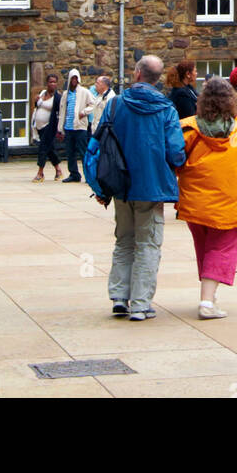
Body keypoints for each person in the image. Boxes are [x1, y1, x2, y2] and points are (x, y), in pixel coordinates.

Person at [85, 54, 184, 321]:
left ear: (138, 74)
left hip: (120, 184)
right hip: (152, 186)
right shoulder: (167, 110)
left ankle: (119, 297)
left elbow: (98, 144)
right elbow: (176, 153)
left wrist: (99, 185)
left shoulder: (115, 104)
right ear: (157, 78)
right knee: (148, 244)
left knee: (124, 240)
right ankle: (140, 304)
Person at [174, 76, 237, 320]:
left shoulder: (187, 129)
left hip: (195, 201)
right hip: (231, 201)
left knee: (205, 248)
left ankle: (210, 294)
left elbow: (174, 161)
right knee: (221, 249)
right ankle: (207, 301)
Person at [57, 68, 93, 181]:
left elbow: (93, 104)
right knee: (70, 152)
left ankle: (88, 175)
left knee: (83, 152)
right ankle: (74, 174)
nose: (74, 80)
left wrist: (84, 112)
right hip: (69, 127)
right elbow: (62, 110)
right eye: (72, 78)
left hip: (80, 127)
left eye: (76, 78)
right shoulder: (65, 94)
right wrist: (60, 128)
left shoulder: (85, 92)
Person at [30, 74, 63, 182]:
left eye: (54, 82)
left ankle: (40, 173)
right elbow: (37, 105)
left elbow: (58, 112)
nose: (52, 84)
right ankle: (58, 170)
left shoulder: (58, 97)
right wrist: (36, 101)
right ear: (47, 83)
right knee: (50, 149)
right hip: (39, 127)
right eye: (50, 82)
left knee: (43, 148)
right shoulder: (43, 93)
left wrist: (59, 129)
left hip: (49, 126)